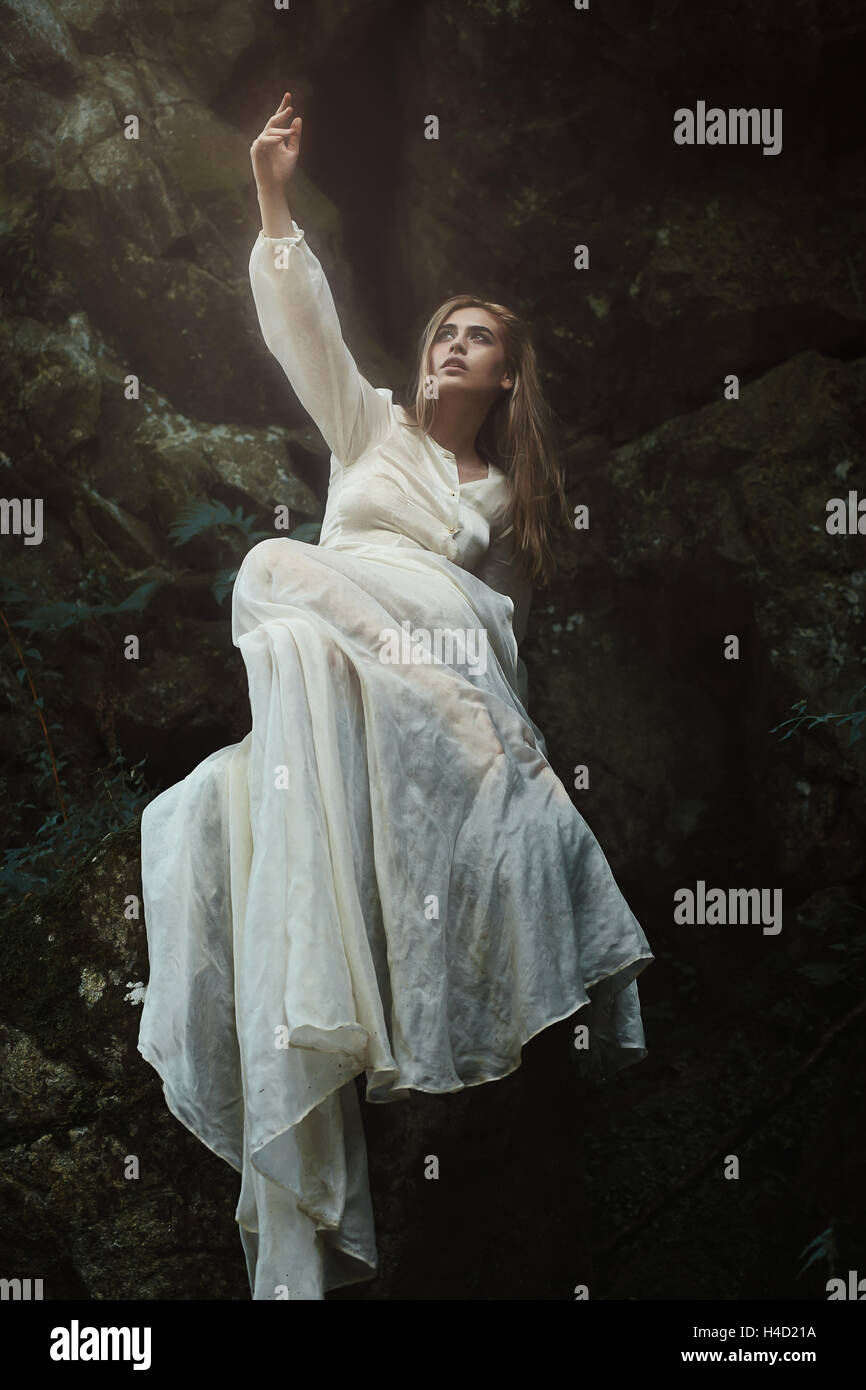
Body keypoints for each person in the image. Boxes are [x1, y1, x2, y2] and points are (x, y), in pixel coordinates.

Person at [137, 92, 654, 1301]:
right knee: (272, 571)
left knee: (429, 638)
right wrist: (269, 193)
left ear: (508, 373)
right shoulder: (368, 435)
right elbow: (304, 326)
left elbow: (494, 635)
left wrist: (478, 701)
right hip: (337, 643)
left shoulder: (497, 507)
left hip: (433, 672)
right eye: (444, 328)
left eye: (478, 337)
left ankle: (492, 779)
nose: (450, 345)